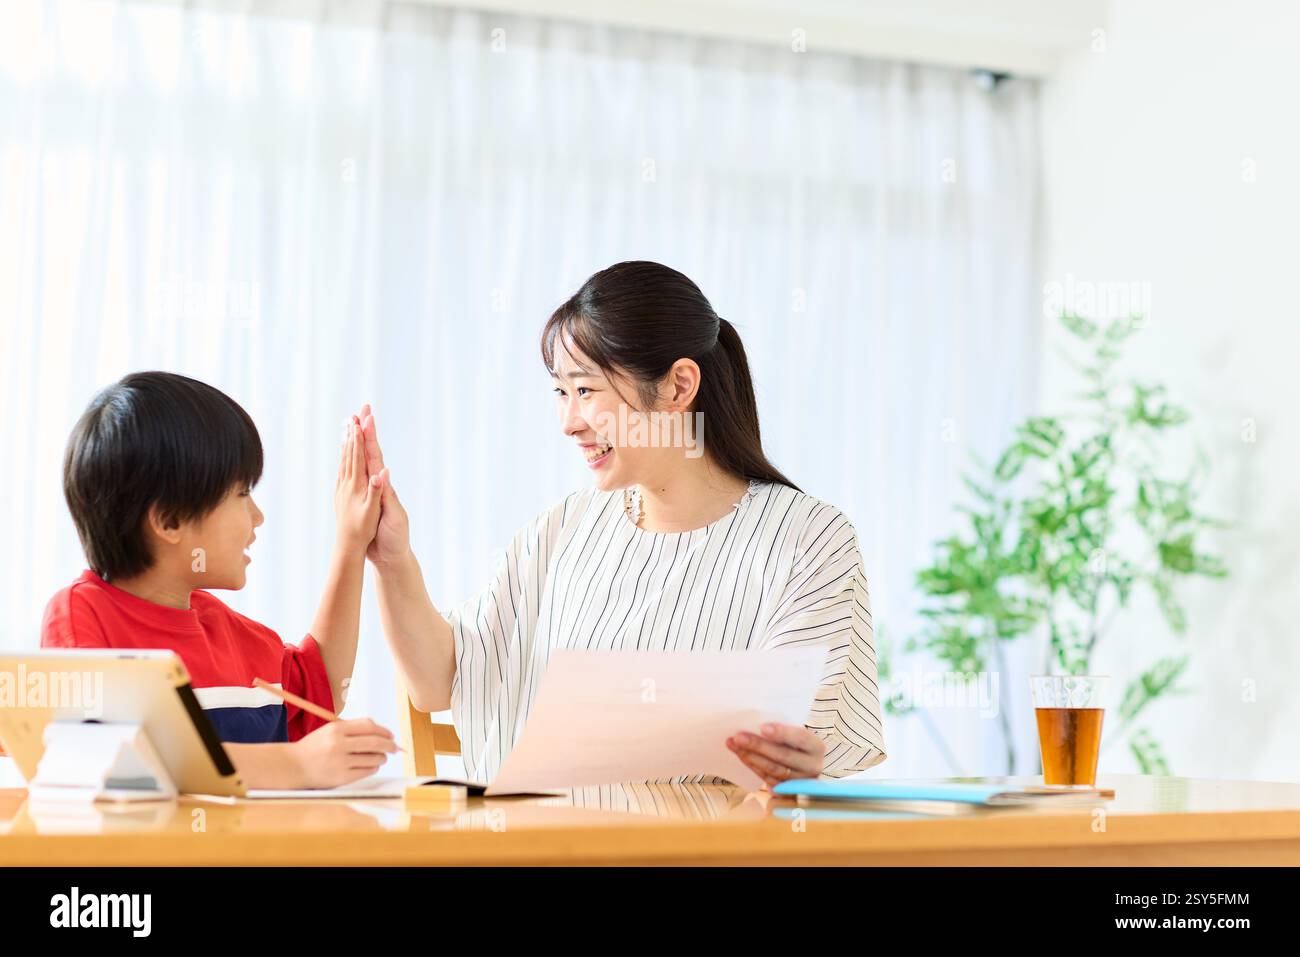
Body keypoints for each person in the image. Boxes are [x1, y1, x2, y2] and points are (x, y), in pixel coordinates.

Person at [356, 261, 887, 787]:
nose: (568, 423)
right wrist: (393, 559)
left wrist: (792, 758)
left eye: (585, 391)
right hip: (548, 846)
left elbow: (801, 741)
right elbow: (436, 684)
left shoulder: (807, 539)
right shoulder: (564, 529)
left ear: (679, 386)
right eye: (561, 393)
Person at [40, 371, 399, 789]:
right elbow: (102, 756)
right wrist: (294, 765)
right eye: (242, 494)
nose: (257, 517)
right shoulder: (82, 616)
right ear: (169, 519)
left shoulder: (230, 633)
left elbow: (319, 693)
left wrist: (351, 543)